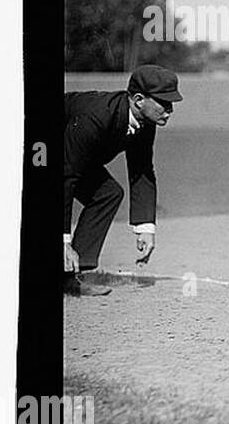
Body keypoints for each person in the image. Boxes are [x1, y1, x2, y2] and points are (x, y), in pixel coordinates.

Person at [63, 64, 182, 297]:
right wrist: (63, 241)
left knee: (108, 193)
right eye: (164, 103)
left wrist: (145, 229)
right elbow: (65, 178)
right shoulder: (96, 117)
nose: (170, 110)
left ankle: (70, 277)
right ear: (139, 99)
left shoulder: (144, 122)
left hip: (70, 158)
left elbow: (142, 170)